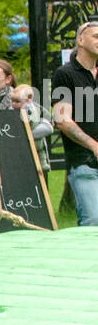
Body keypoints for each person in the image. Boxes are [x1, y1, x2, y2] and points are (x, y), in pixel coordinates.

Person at [52, 18, 98, 226]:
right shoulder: (65, 74)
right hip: (84, 162)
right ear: (80, 39)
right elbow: (62, 120)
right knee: (94, 221)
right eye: (96, 36)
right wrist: (93, 146)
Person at [11, 82, 52, 180]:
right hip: (21, 151)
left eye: (17, 101)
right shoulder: (12, 111)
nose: (13, 104)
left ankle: (43, 164)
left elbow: (48, 123)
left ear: (29, 99)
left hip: (35, 141)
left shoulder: (32, 109)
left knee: (41, 151)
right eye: (12, 101)